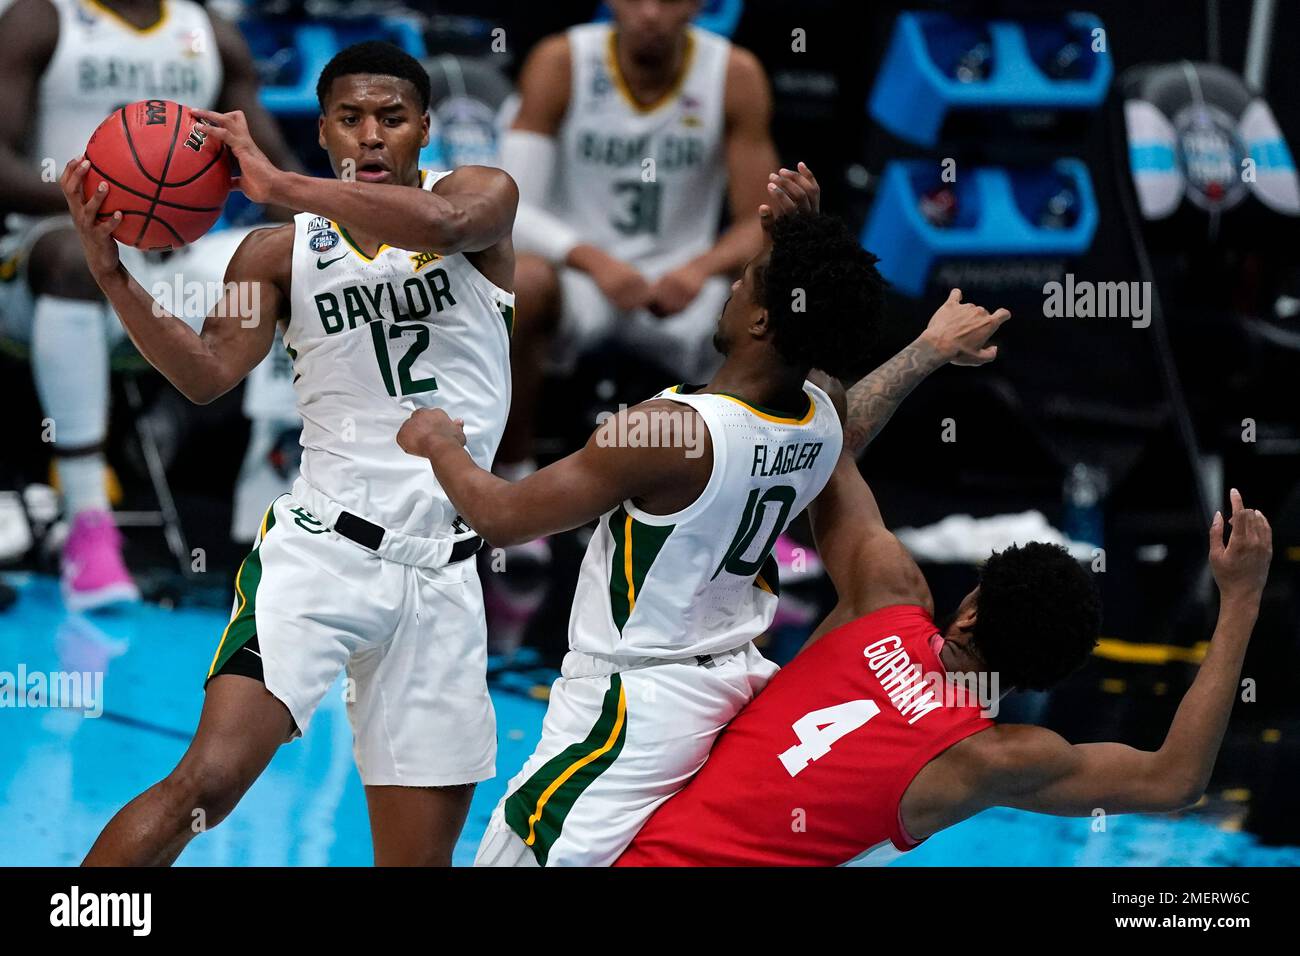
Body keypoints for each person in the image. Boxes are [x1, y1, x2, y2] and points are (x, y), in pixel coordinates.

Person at [396, 164, 977, 866]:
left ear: (763, 317)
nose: (730, 288)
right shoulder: (820, 419)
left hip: (629, 706)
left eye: (747, 280)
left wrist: (440, 446)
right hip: (734, 688)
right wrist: (915, 341)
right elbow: (841, 399)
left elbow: (507, 518)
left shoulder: (671, 433)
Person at [71, 40, 518, 866]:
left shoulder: (479, 201)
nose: (372, 136)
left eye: (392, 118)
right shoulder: (273, 253)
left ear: (425, 129)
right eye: (350, 119)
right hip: (320, 556)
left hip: (446, 575)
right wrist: (115, 276)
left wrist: (275, 185)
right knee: (202, 786)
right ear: (323, 132)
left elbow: (451, 223)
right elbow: (207, 373)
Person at [617, 338, 1273, 866]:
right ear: (1039, 677)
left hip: (620, 849)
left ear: (968, 611)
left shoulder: (887, 596)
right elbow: (1175, 779)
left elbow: (826, 435)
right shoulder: (991, 759)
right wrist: (1241, 598)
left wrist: (928, 349)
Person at [0, 0, 303, 610]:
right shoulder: (41, 19)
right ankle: (89, 524)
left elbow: (274, 174)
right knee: (72, 257)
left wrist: (348, 233)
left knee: (295, 261)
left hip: (171, 266)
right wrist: (97, 207)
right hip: (41, 258)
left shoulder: (211, 32)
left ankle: (277, 519)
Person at [494, 0, 779, 561]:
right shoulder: (563, 61)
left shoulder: (734, 73)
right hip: (584, 279)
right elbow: (511, 203)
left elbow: (759, 220)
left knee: (779, 300)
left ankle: (751, 507)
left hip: (685, 284)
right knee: (522, 281)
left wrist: (700, 270)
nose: (650, 13)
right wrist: (595, 262)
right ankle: (513, 481)